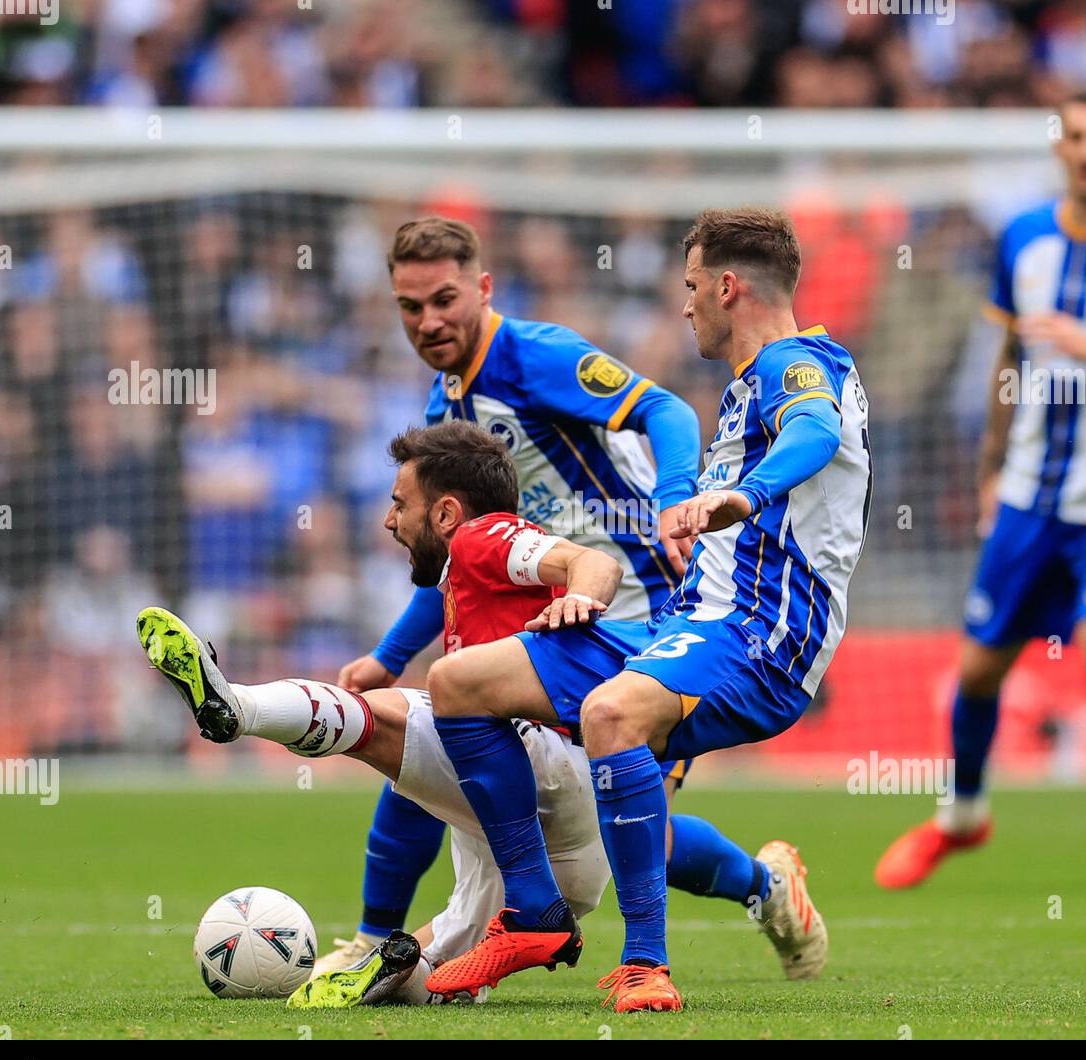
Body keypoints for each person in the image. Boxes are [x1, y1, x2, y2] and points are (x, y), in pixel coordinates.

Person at [139, 420, 817, 1005]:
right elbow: (445, 602)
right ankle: (764, 886)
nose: (387, 520)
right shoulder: (458, 572)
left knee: (396, 718)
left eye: (399, 503)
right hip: (546, 827)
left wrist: (580, 594)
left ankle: (239, 708)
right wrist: (385, 652)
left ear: (445, 512)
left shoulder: (484, 536)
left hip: (562, 761)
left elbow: (588, 562)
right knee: (421, 978)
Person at [418, 207, 872, 1011]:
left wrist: (741, 493)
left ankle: (646, 966)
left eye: (692, 286)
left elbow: (815, 428)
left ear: (728, 287)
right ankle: (533, 912)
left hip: (763, 637)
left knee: (613, 720)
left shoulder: (799, 364)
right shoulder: (742, 390)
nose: (685, 304)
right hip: (688, 621)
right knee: (459, 684)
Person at [318, 217, 775, 976]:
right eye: (410, 306)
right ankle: (374, 942)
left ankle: (765, 889)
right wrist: (385, 657)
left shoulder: (535, 355)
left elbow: (665, 409)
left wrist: (673, 499)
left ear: (483, 287)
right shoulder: (444, 416)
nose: (429, 321)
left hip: (645, 612)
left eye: (444, 299)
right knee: (431, 738)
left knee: (631, 831)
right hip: (561, 628)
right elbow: (458, 570)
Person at [875, 92, 1086, 897]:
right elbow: (1009, 361)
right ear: (1060, 148)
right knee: (980, 667)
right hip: (1030, 492)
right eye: (1078, 137)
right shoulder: (1024, 239)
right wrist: (993, 466)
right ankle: (963, 816)